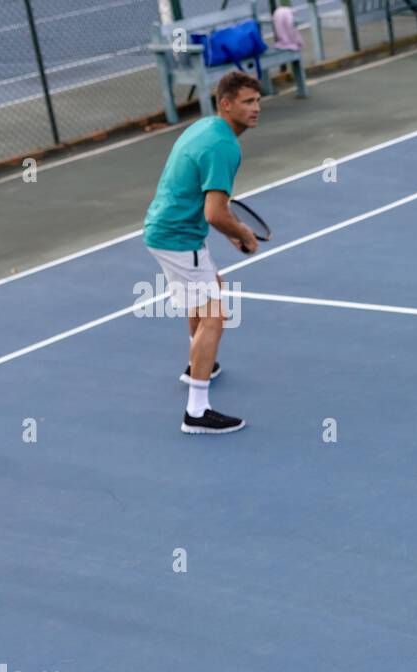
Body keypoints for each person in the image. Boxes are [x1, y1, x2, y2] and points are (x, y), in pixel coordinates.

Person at [142, 70, 261, 434]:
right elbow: (214, 212)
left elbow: (208, 205)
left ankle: (198, 365)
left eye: (258, 100)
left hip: (168, 229)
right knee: (215, 315)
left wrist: (228, 232)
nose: (256, 108)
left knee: (209, 292)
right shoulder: (225, 146)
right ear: (226, 104)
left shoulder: (206, 128)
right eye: (247, 102)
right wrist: (242, 232)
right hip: (178, 236)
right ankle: (196, 410)